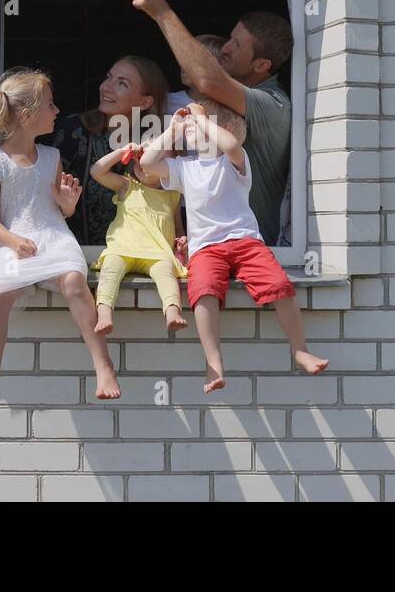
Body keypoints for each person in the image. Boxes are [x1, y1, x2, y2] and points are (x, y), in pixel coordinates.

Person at [140, 95, 328, 393]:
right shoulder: (184, 168)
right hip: (205, 248)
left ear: (222, 128)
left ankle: (300, 349)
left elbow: (231, 146)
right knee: (202, 292)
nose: (193, 124)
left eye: (202, 123)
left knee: (278, 285)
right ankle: (213, 363)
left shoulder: (234, 162)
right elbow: (147, 162)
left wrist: (201, 119)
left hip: (245, 242)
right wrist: (173, 130)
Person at [0, 68, 120, 418]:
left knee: (74, 281)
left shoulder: (51, 157)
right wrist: (13, 240)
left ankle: (103, 365)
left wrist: (68, 201)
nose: (56, 112)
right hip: (15, 240)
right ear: (25, 115)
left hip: (52, 235)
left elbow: (61, 213)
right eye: (49, 105)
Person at [130, 0, 294, 245]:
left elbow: (206, 79)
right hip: (207, 246)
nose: (226, 48)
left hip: (251, 250)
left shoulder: (272, 105)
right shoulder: (229, 98)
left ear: (262, 64)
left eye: (238, 45)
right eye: (230, 38)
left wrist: (161, 12)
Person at [46, 55, 171, 245]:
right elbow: (48, 194)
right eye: (109, 77)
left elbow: (167, 203)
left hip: (137, 255)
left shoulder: (155, 144)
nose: (106, 87)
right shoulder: (74, 129)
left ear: (145, 102)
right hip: (78, 254)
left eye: (122, 84)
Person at [88, 142, 188, 335]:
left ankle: (172, 312)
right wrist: (122, 152)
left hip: (158, 254)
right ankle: (104, 314)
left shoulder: (174, 195)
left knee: (167, 274)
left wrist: (182, 240)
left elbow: (178, 227)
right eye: (139, 159)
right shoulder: (127, 186)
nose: (143, 164)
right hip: (122, 248)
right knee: (109, 273)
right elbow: (96, 171)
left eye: (153, 159)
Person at [166, 33, 226, 114]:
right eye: (184, 58)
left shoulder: (228, 110)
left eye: (195, 62)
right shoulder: (166, 102)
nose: (184, 64)